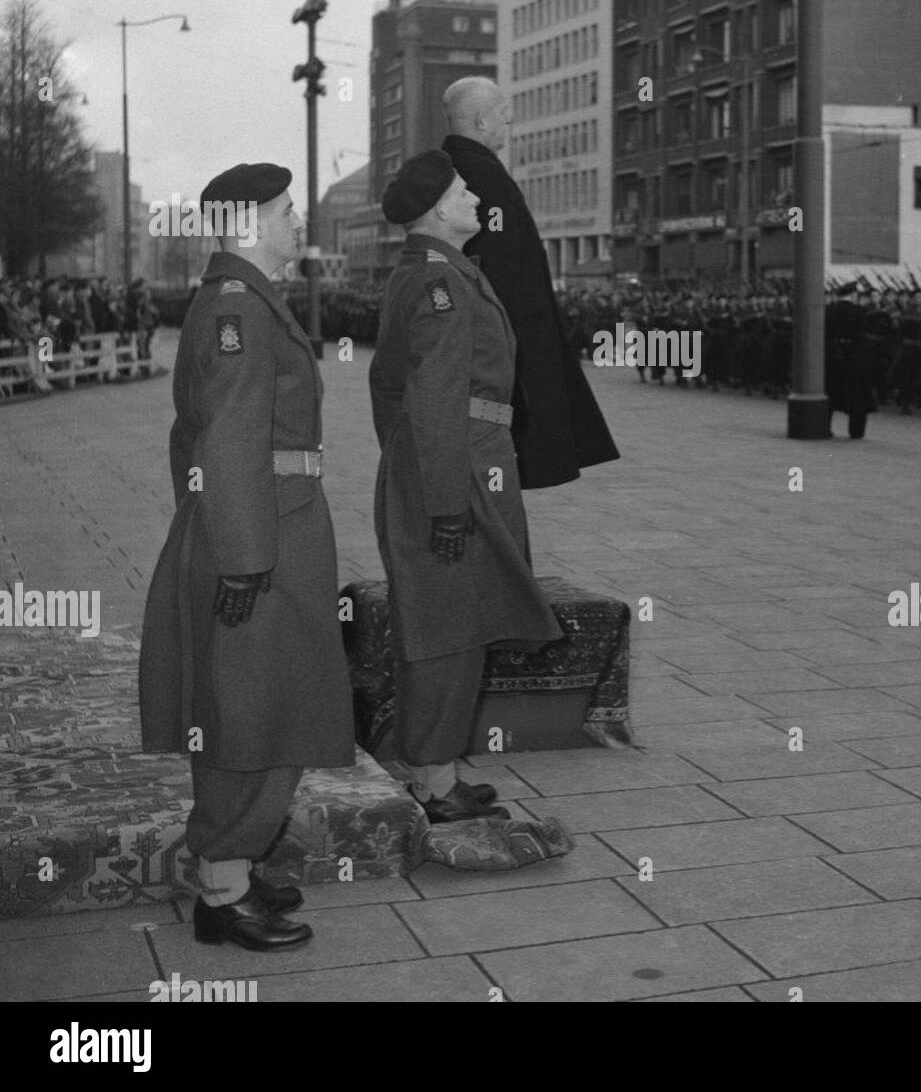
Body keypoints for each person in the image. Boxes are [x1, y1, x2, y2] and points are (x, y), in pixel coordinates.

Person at [138, 163, 354, 952]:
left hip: (270, 525)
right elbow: (226, 439)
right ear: (248, 223)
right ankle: (222, 893)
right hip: (262, 536)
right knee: (249, 712)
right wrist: (238, 556)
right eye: (287, 211)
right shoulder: (238, 309)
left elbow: (190, 440)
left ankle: (237, 860)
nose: (299, 224)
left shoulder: (241, 301)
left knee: (270, 703)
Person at [369, 149, 565, 826]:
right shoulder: (438, 285)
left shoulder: (442, 272)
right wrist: (444, 498)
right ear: (435, 210)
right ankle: (430, 776)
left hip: (465, 457)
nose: (475, 200)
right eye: (462, 192)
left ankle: (438, 768)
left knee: (463, 619)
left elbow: (391, 394)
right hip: (458, 467)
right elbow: (430, 397)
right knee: (447, 627)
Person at [440, 76, 618, 490]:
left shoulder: (456, 167)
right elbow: (501, 279)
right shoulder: (482, 175)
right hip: (500, 360)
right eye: (504, 116)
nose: (510, 124)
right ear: (482, 122)